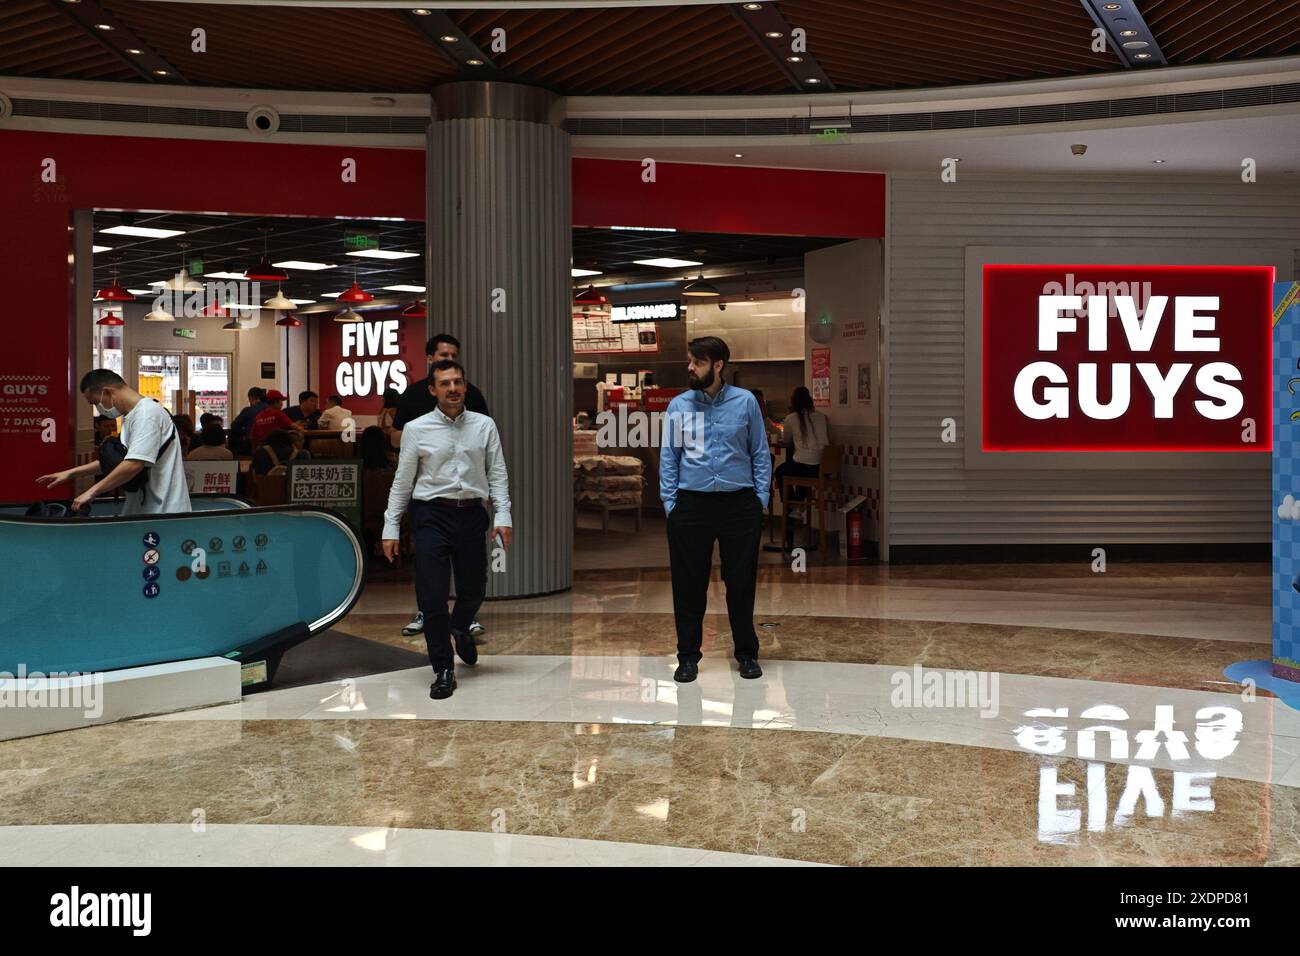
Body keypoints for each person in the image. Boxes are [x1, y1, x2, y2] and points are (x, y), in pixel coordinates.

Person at [382, 360, 512, 701]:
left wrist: (504, 516)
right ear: (433, 390)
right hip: (430, 516)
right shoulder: (417, 428)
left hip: (471, 515)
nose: (452, 388)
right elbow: (403, 481)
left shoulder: (484, 426)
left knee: (474, 590)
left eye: (457, 382)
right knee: (432, 595)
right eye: (445, 383)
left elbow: (497, 473)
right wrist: (390, 526)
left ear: (465, 386)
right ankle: (443, 668)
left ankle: (460, 626)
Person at [659, 336, 769, 683]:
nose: (690, 368)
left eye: (698, 362)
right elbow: (669, 457)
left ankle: (747, 654)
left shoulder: (745, 402)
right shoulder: (678, 406)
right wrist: (671, 504)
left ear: (718, 365)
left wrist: (760, 499)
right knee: (688, 584)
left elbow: (759, 453)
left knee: (741, 582)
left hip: (740, 504)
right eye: (690, 361)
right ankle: (688, 657)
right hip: (691, 505)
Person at [392, 333, 491, 640]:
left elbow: (483, 441)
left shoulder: (471, 395)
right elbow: (395, 436)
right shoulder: (412, 397)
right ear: (430, 358)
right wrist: (421, 441)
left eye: (453, 356)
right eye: (443, 355)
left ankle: (464, 618)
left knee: (472, 575)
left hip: (466, 501)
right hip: (428, 497)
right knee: (431, 570)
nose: (448, 361)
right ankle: (429, 613)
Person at [37, 369, 191, 515]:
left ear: (108, 391)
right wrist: (71, 473)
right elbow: (120, 461)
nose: (98, 408)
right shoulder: (132, 416)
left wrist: (92, 491)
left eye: (95, 402)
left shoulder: (147, 415)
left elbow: (133, 464)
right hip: (145, 508)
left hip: (164, 511)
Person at [776, 385, 831, 539]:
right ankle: (798, 505)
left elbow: (786, 440)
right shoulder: (821, 417)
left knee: (780, 471)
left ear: (793, 402)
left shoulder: (791, 418)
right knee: (799, 469)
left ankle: (792, 503)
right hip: (822, 469)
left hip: (803, 467)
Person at [228, 387, 266, 455]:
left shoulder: (248, 410)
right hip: (269, 446)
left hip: (252, 446)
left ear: (251, 398)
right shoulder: (271, 409)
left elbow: (234, 426)